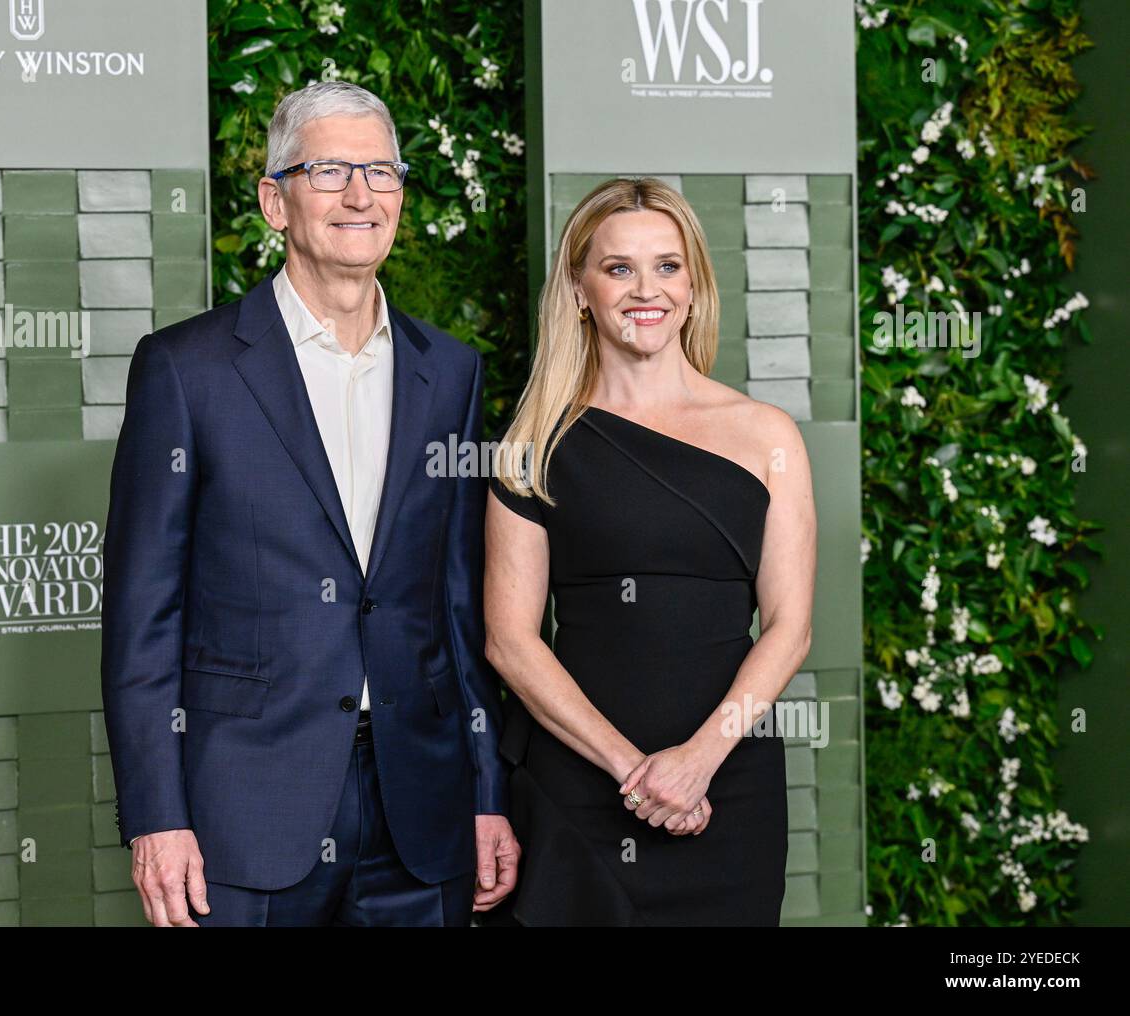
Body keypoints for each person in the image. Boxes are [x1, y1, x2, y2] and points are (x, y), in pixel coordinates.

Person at [101, 81, 518, 927]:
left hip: (422, 813)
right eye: (330, 170)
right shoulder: (188, 370)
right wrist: (156, 814)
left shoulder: (452, 375)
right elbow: (142, 617)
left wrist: (486, 789)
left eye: (382, 171)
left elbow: (458, 605)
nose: (361, 195)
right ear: (274, 202)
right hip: (241, 819)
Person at [483, 177, 816, 926]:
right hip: (580, 788)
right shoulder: (533, 444)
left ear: (694, 286)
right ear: (579, 288)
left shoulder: (769, 436)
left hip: (730, 789)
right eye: (619, 267)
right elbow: (509, 642)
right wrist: (637, 773)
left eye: (668, 266)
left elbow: (790, 629)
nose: (647, 290)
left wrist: (697, 762)